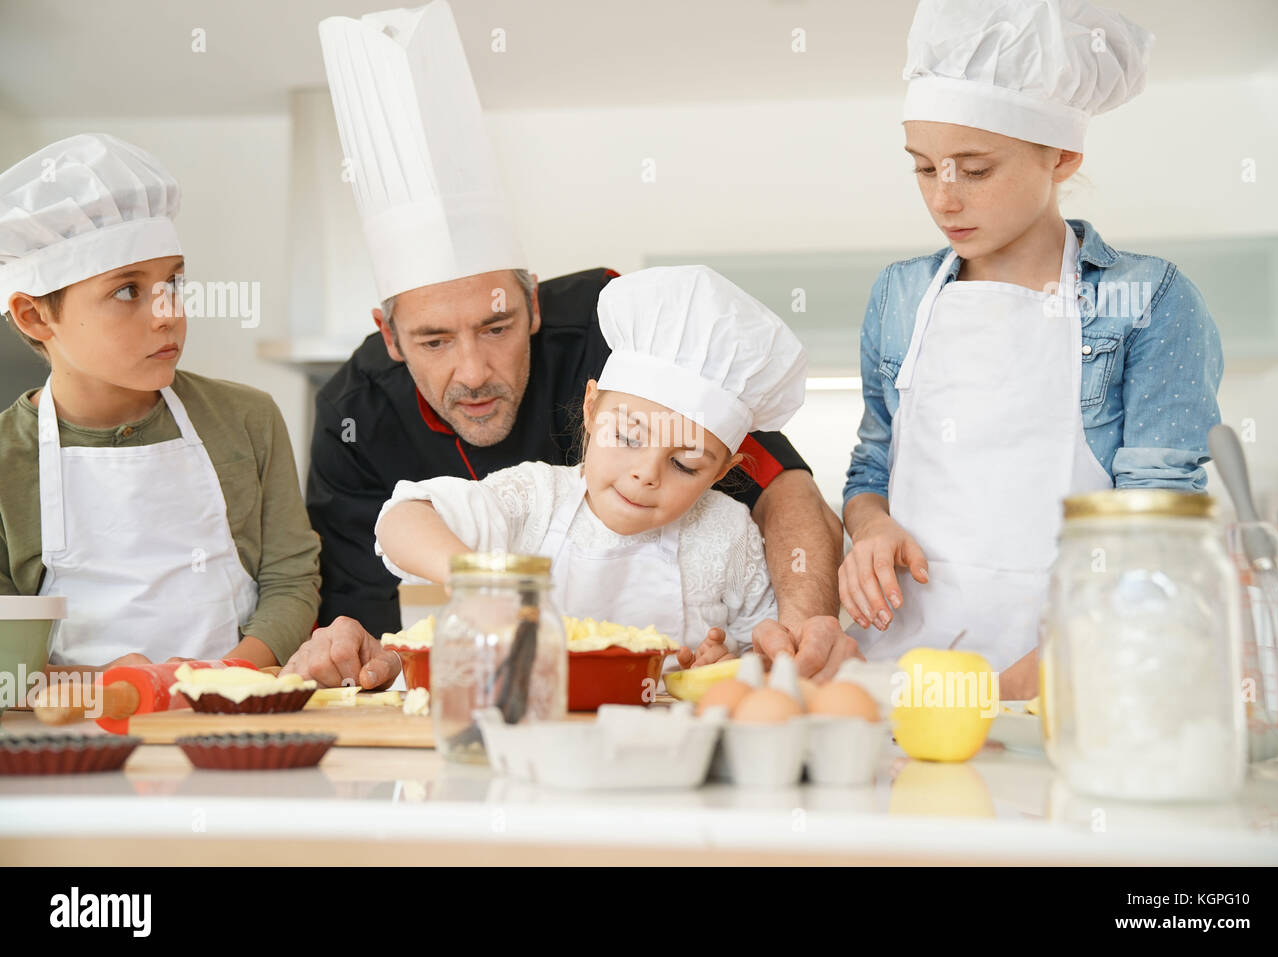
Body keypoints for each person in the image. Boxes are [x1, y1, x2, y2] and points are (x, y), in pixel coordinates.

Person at [286, 1, 855, 690]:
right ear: (390, 336)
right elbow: (371, 609)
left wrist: (796, 632)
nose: (473, 370)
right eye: (434, 339)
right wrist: (361, 650)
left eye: (495, 326)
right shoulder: (356, 416)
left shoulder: (617, 334)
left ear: (531, 304)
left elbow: (782, 487)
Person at [840, 0, 1223, 696]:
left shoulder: (1148, 299)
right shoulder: (899, 295)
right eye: (924, 168)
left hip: (1074, 667)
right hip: (902, 666)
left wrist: (1063, 659)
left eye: (975, 170)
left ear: (1063, 155)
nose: (944, 199)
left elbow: (1159, 520)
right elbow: (870, 468)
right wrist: (869, 529)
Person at [375, 265, 806, 671]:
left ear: (719, 472)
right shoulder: (534, 497)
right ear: (591, 407)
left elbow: (764, 649)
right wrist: (473, 579)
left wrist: (731, 662)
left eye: (684, 464)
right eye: (628, 438)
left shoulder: (730, 533)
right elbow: (403, 517)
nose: (646, 473)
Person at [0, 133, 321, 669]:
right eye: (127, 290)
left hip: (232, 720)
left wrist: (222, 681)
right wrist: (122, 690)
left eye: (173, 280)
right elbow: (10, 657)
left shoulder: (247, 419)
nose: (166, 312)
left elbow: (290, 578)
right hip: (75, 735)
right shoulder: (7, 457)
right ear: (35, 316)